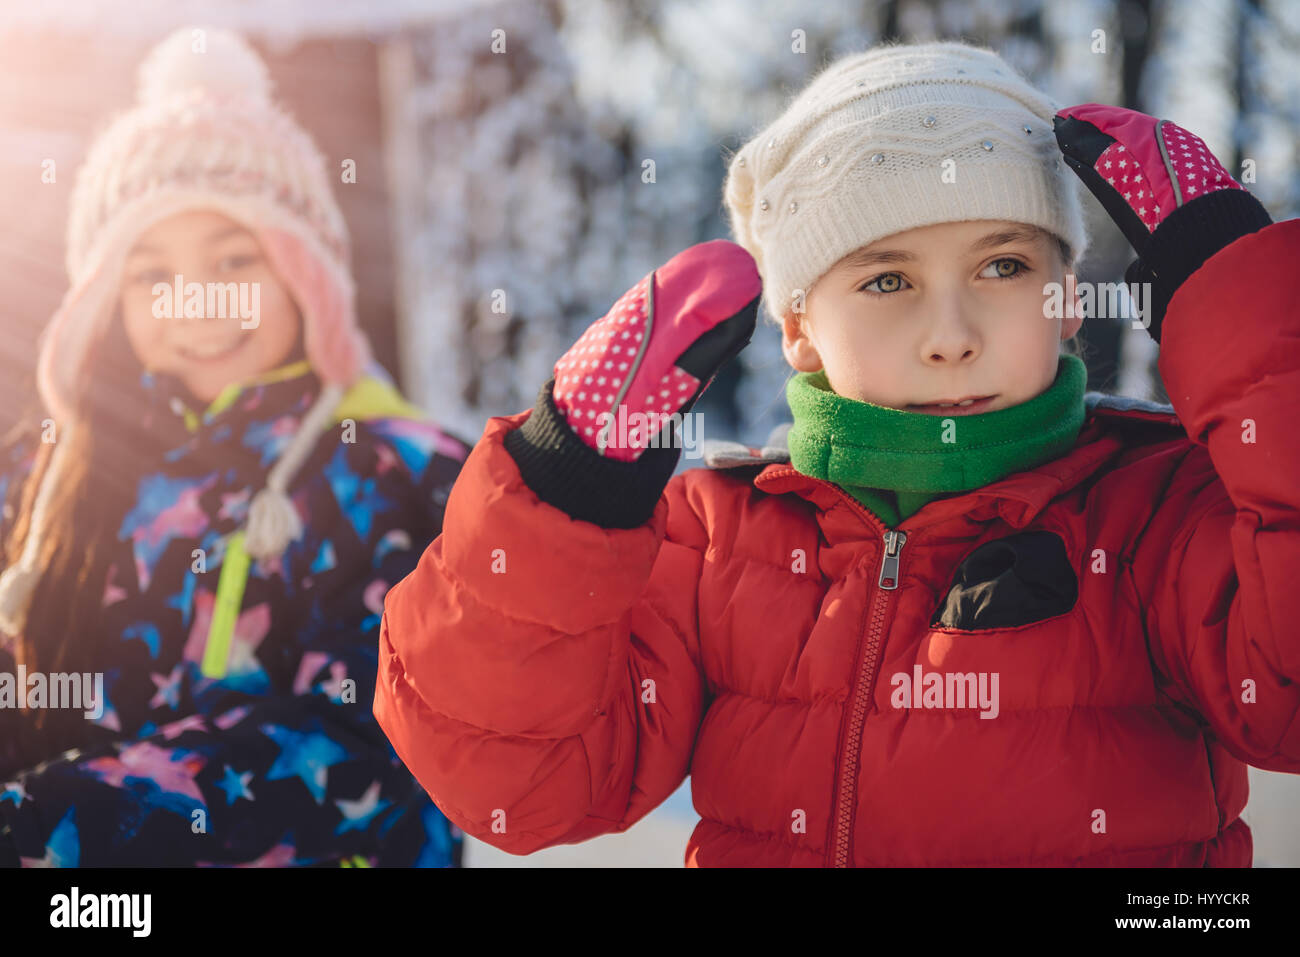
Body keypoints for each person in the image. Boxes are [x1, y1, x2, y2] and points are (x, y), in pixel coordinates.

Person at [374, 40, 1298, 866]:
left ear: (1063, 297)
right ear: (799, 327)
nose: (951, 334)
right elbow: (523, 785)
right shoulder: (716, 541)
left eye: (1003, 266)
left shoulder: (1160, 516)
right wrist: (563, 484)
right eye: (888, 278)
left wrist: (1247, 315)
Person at [0, 27, 469, 867]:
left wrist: (50, 827)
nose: (197, 302)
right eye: (151, 274)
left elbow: (351, 742)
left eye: (233, 257)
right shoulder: (45, 481)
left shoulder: (389, 473)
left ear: (305, 274)